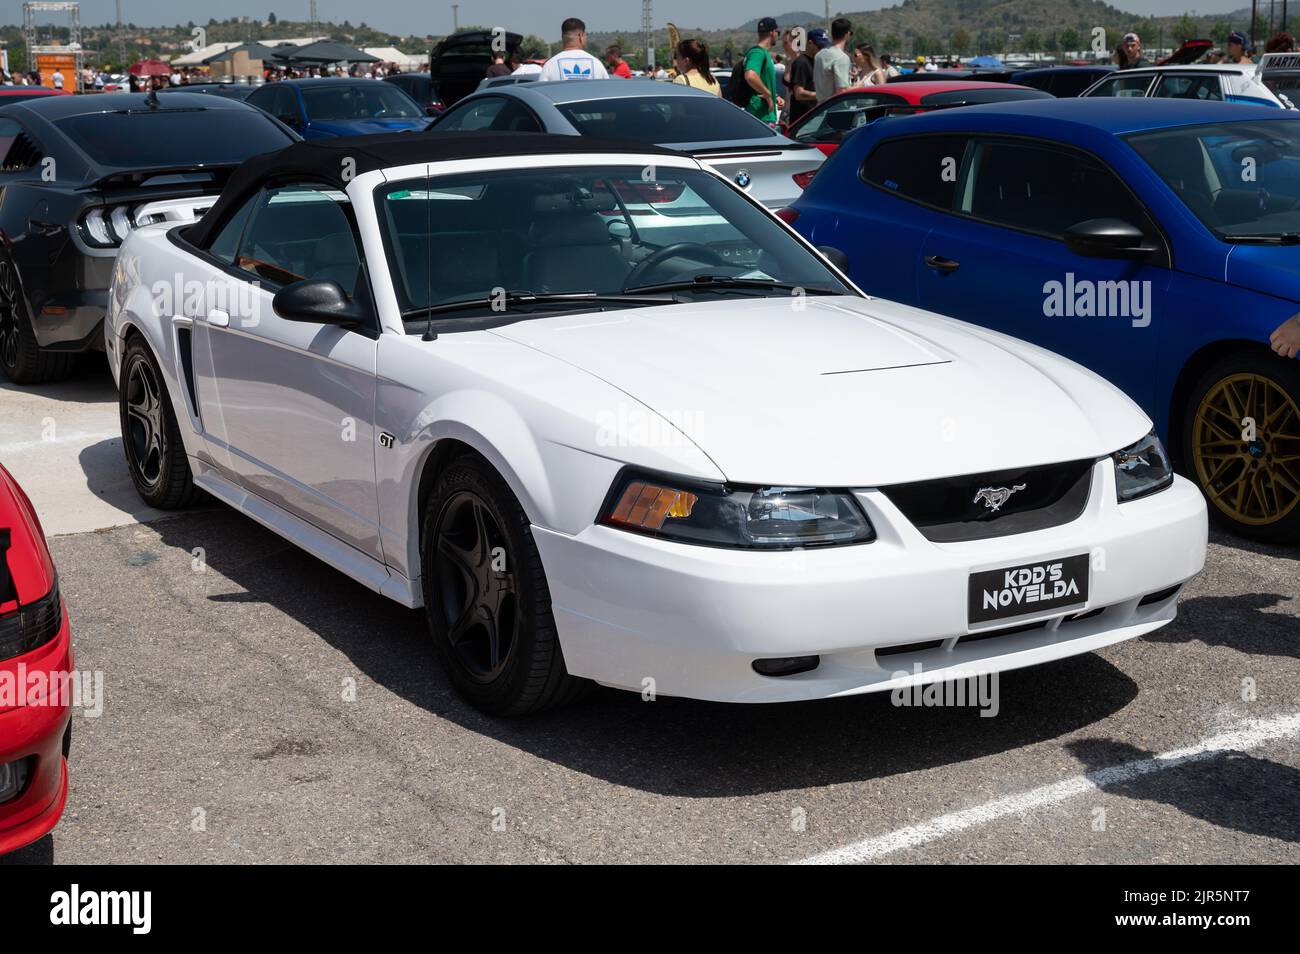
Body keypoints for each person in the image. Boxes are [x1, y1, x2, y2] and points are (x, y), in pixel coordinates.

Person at [536, 17, 609, 81]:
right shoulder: (596, 64)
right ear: (581, 36)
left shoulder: (550, 65)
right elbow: (606, 90)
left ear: (562, 36)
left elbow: (541, 93)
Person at [741, 16, 783, 124]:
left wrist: (775, 96)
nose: (778, 36)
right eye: (778, 32)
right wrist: (768, 94)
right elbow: (750, 75)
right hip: (761, 116)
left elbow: (762, 80)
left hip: (763, 116)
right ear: (772, 32)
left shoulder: (762, 53)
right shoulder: (758, 53)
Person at [782, 28, 818, 122]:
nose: (783, 45)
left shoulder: (803, 63)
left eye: (786, 43)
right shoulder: (788, 63)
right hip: (789, 112)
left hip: (804, 113)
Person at [814, 17, 852, 102]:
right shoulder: (841, 58)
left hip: (820, 109)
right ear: (848, 34)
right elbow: (842, 91)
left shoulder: (819, 55)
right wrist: (858, 86)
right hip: (836, 110)